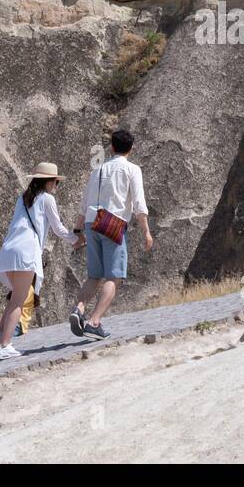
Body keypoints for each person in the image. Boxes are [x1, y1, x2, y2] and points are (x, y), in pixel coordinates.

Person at [0, 163, 81, 360]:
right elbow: (58, 228)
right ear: (48, 182)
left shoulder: (23, 198)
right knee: (19, 301)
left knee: (14, 296)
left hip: (9, 249)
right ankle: (5, 345)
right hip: (26, 251)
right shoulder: (47, 199)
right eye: (56, 182)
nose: (57, 185)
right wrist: (77, 240)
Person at [70, 129, 152, 341]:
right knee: (114, 277)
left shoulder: (97, 170)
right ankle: (94, 322)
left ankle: (78, 309)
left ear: (112, 147)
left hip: (91, 222)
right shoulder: (132, 169)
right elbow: (138, 204)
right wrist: (146, 232)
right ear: (131, 148)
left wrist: (78, 231)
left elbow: (84, 203)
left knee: (94, 275)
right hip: (112, 224)